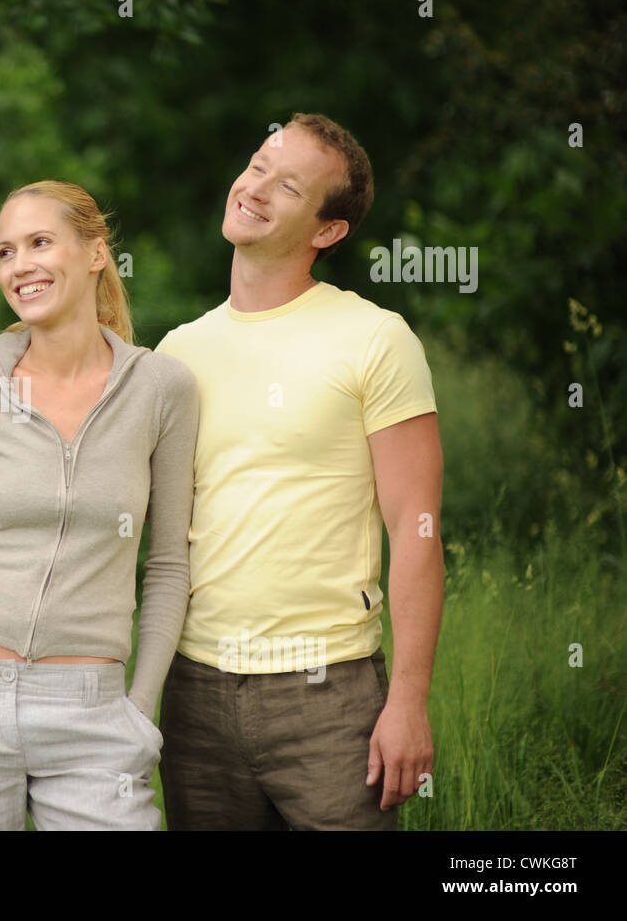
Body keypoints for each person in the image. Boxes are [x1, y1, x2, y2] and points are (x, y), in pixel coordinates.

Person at [0, 180, 198, 830]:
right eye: (5, 251)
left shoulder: (162, 388)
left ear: (95, 252)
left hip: (92, 715)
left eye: (39, 242)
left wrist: (139, 710)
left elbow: (167, 565)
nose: (19, 264)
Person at [154, 113, 443, 830]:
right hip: (194, 691)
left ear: (327, 231)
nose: (254, 188)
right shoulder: (177, 352)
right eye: (256, 165)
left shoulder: (374, 338)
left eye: (286, 186)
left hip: (330, 697)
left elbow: (416, 523)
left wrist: (407, 701)